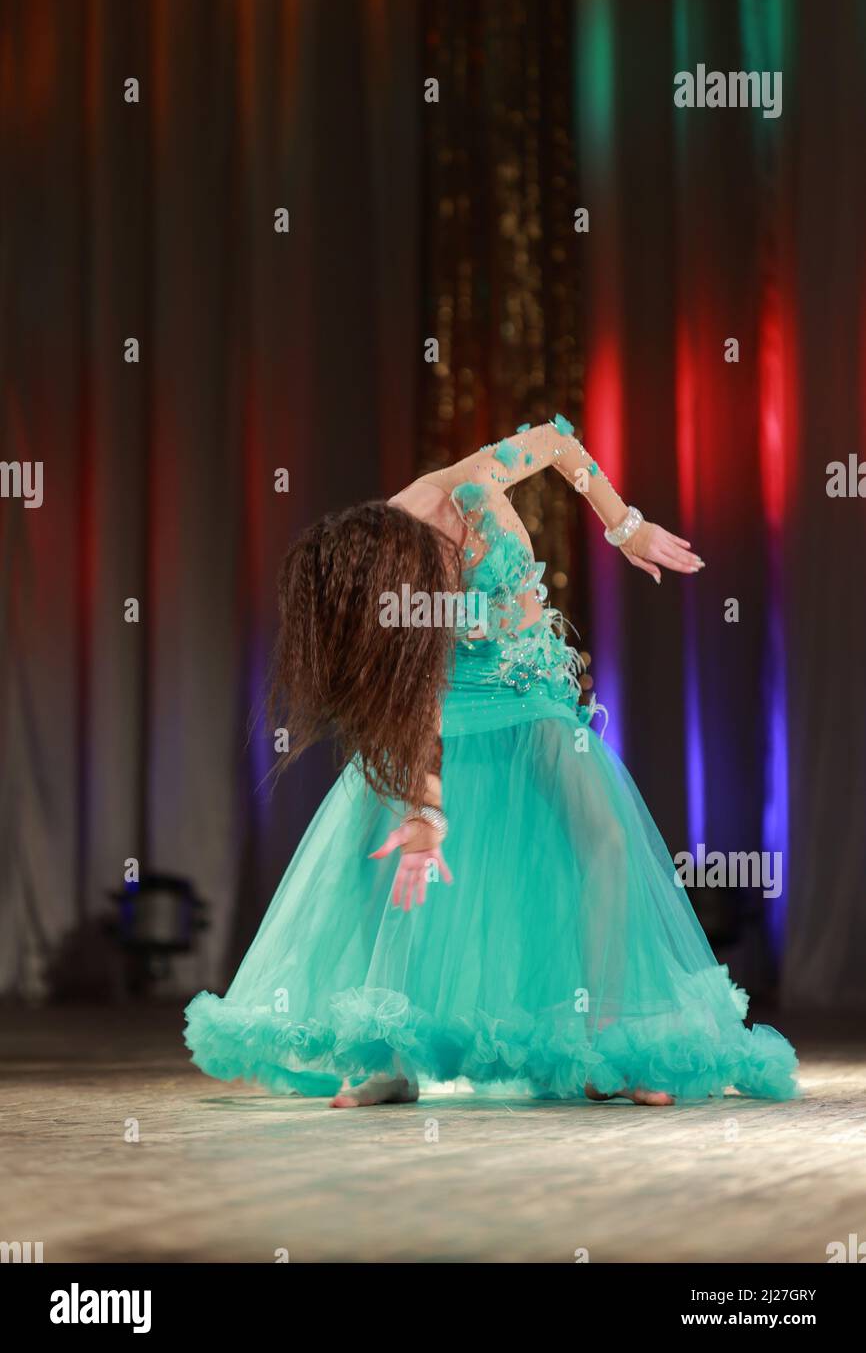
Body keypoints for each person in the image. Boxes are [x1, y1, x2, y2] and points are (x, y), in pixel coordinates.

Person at [184, 414, 800, 1107]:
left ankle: (604, 1049)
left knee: (605, 838)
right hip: (453, 693)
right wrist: (426, 808)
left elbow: (562, 441)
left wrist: (624, 525)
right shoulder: (394, 587)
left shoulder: (471, 482)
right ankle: (389, 1059)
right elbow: (413, 702)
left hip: (534, 690)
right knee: (387, 861)